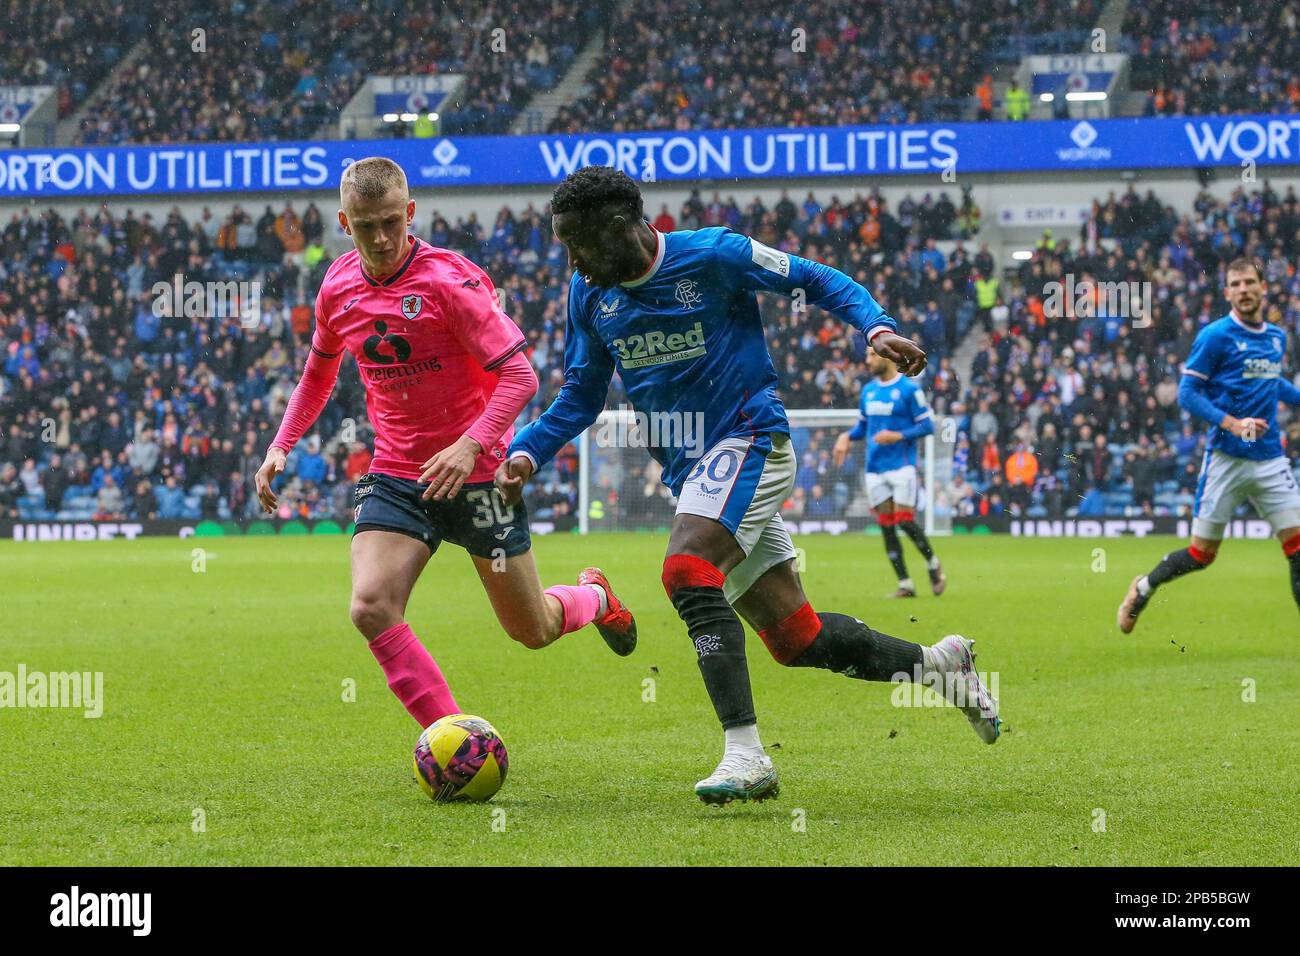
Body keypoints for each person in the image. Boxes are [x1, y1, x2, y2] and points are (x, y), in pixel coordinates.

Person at [496, 167, 999, 805]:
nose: (569, 259)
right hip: (693, 477)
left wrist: (874, 325)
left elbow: (813, 278)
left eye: (578, 243)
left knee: (685, 570)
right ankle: (940, 667)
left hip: (750, 439)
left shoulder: (714, 255)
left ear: (623, 227)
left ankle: (746, 754)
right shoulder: (588, 294)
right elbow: (581, 394)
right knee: (797, 639)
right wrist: (526, 453)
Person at [254, 157, 637, 736]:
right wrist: (281, 444)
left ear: (410, 213)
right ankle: (455, 742)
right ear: (344, 222)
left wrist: (471, 444)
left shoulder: (450, 282)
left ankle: (592, 597)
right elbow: (319, 373)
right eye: (365, 227)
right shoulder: (337, 287)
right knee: (371, 606)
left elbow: (520, 377)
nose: (381, 238)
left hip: (481, 479)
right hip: (398, 478)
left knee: (532, 630)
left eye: (391, 222)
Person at [1119, 258, 1300, 630]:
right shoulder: (1215, 335)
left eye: (1250, 282)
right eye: (1236, 284)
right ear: (1227, 292)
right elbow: (1188, 393)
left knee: (1298, 547)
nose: (1244, 290)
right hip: (1226, 459)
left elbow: (1272, 383)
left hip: (1269, 459)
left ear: (1263, 287)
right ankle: (1143, 587)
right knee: (1202, 555)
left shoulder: (1276, 337)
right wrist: (1232, 424)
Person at [833, 347, 945, 598]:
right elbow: (863, 426)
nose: (867, 360)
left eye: (872, 355)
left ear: (887, 357)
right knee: (886, 526)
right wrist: (846, 437)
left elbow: (927, 426)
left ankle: (933, 564)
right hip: (874, 468)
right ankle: (905, 583)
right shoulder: (868, 391)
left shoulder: (909, 390)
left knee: (904, 520)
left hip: (902, 466)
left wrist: (898, 435)